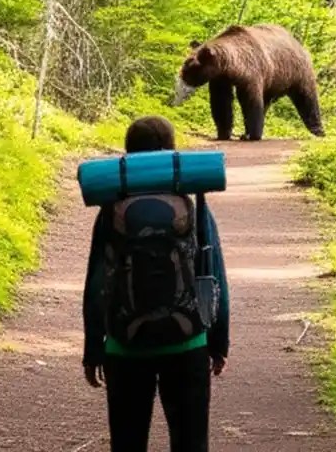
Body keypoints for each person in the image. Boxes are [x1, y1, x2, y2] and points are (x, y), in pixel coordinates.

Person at [82, 116, 231, 452]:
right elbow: (214, 273)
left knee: (128, 443)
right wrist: (218, 340)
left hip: (125, 344)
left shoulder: (111, 208)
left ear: (128, 153)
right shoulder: (192, 205)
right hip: (188, 341)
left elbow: (96, 282)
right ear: (171, 153)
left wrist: (94, 348)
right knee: (191, 443)